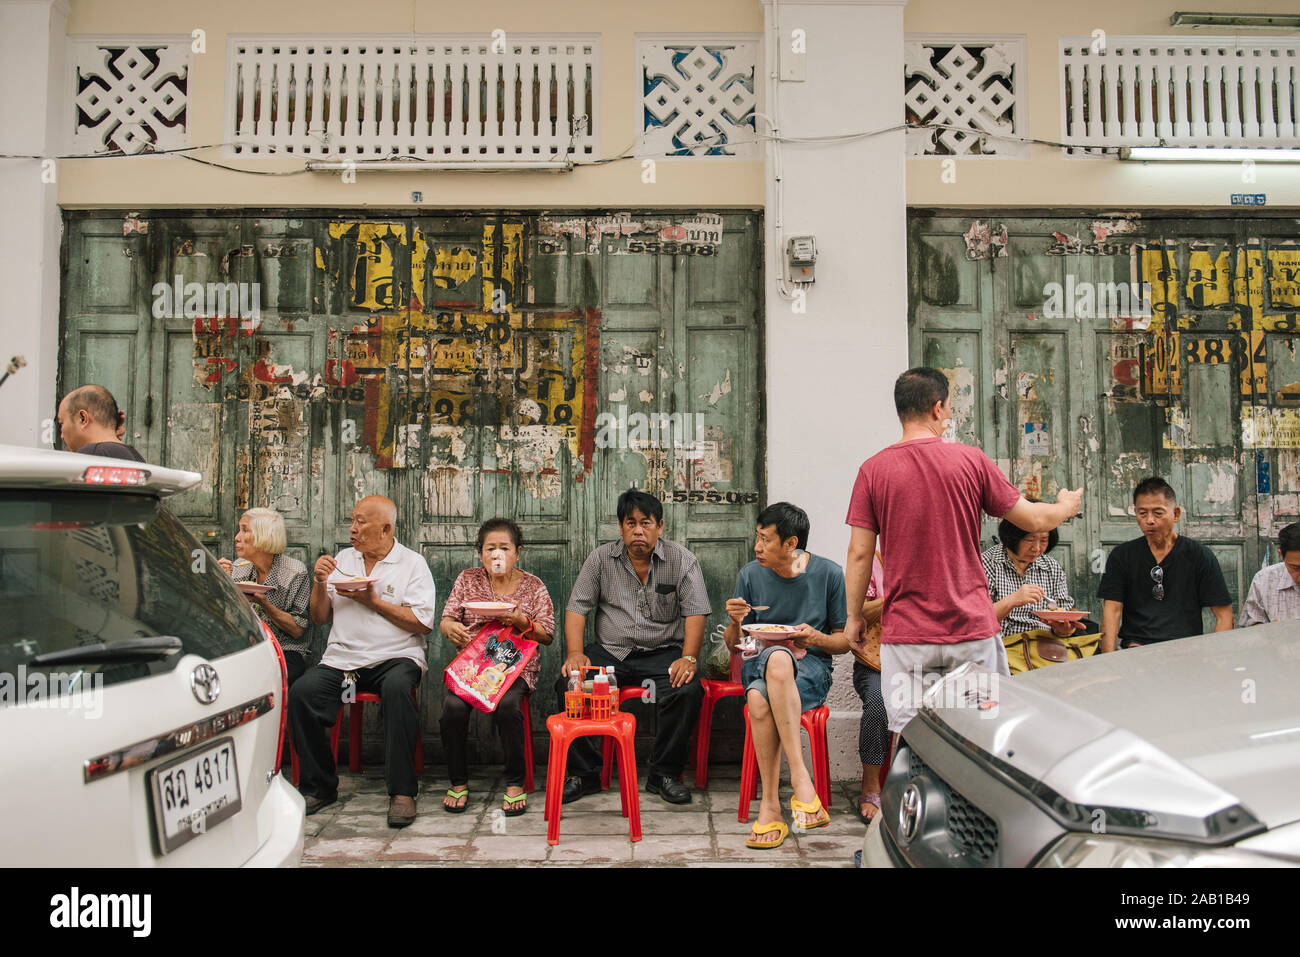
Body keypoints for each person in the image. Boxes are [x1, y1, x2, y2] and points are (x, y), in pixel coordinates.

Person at [843, 367, 1082, 735]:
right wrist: (1066, 504)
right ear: (938, 408)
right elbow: (1035, 519)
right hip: (970, 633)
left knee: (914, 736)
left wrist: (854, 616)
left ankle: (915, 793)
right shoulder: (971, 460)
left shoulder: (873, 470)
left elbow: (860, 554)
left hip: (908, 638)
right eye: (949, 406)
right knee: (983, 733)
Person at [288, 496, 437, 827]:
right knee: (302, 693)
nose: (353, 529)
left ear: (385, 528)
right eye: (352, 521)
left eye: (361, 522)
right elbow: (320, 617)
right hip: (347, 666)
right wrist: (319, 582)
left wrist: (373, 601)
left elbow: (422, 623)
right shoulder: (343, 560)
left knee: (399, 690)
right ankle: (320, 787)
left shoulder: (412, 564)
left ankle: (402, 793)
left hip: (396, 658)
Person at [557, 489, 711, 806]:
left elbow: (695, 612)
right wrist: (575, 653)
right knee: (570, 684)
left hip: (660, 657)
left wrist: (689, 657)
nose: (638, 530)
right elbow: (576, 608)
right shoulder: (600, 559)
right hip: (610, 656)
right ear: (621, 527)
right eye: (631, 523)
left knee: (687, 690)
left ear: (660, 526)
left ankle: (664, 774)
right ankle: (583, 775)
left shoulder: (682, 560)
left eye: (646, 523)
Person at [722, 502, 848, 848]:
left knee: (758, 699)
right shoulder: (750, 574)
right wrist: (734, 622)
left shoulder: (829, 574)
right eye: (756, 538)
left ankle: (770, 808)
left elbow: (844, 641)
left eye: (765, 540)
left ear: (791, 544)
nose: (757, 547)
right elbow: (735, 646)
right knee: (776, 657)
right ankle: (802, 782)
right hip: (760, 660)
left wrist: (817, 638)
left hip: (811, 670)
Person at [439, 518, 555, 817]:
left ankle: (515, 782)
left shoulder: (533, 587)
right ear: (481, 553)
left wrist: (521, 622)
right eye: (490, 548)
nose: (497, 554)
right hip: (473, 667)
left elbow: (548, 635)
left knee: (508, 705)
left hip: (514, 667)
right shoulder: (467, 579)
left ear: (518, 552)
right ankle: (459, 781)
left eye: (504, 548)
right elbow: (447, 618)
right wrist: (450, 627)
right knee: (453, 707)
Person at [1099, 477, 1233, 651]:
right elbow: (1112, 611)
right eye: (1142, 513)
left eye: (1158, 513)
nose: (1150, 520)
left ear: (1175, 514)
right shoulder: (1122, 556)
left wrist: (1214, 659)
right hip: (1136, 650)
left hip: (1186, 651)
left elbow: (1224, 615)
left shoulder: (1199, 555)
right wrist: (1109, 662)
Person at [218, 508, 312, 685]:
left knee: (266, 680)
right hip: (246, 647)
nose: (236, 537)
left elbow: (297, 630)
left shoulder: (294, 572)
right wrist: (221, 583)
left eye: (245, 530)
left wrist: (264, 604)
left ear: (264, 537)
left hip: (285, 650)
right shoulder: (238, 568)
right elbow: (226, 620)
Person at [981, 512, 1080, 641]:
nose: (1037, 548)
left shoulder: (1051, 567)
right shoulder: (987, 564)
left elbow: (1062, 613)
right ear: (1012, 537)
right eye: (1029, 540)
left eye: (1044, 540)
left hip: (1045, 649)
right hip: (1002, 648)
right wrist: (1012, 600)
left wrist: (1064, 630)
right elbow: (977, 620)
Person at [851, 549, 889, 824]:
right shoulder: (873, 558)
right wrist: (895, 596)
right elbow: (859, 612)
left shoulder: (934, 556)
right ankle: (871, 785)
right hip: (875, 662)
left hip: (920, 656)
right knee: (878, 700)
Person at [56, 385, 145, 461]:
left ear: (83, 419)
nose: (62, 436)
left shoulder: (91, 455)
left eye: (61, 423)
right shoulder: (136, 457)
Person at [1240, 524, 1300, 626]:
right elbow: (1250, 628)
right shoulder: (1264, 580)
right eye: (1296, 568)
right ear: (1281, 555)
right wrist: (1269, 631)